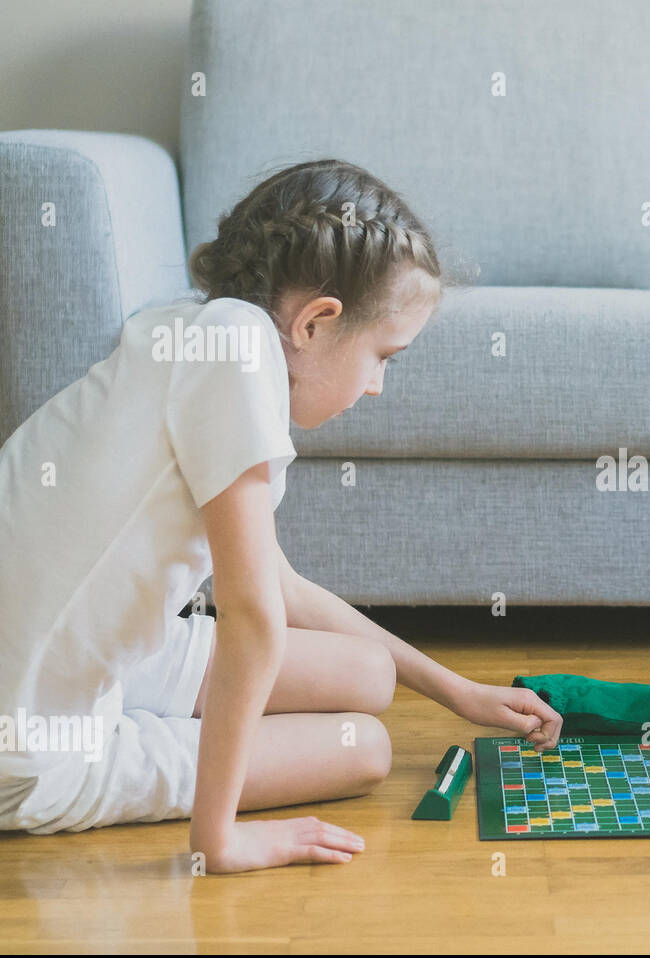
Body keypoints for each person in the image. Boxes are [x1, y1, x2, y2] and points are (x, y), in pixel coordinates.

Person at [0, 159, 561, 871]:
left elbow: (282, 591)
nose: (379, 386)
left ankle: (161, 720)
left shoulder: (199, 330)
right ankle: (173, 771)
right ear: (319, 323)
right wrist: (218, 839)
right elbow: (255, 618)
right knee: (367, 749)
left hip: (56, 667)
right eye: (384, 356)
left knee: (367, 675)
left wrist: (459, 692)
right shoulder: (235, 356)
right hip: (31, 750)